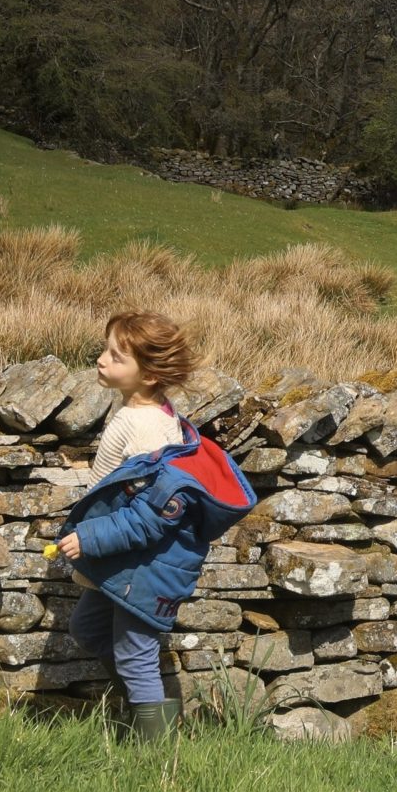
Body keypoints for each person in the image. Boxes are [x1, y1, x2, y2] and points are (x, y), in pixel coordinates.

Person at [55, 312, 256, 741]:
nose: (101, 360)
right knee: (87, 629)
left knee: (136, 657)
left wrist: (90, 536)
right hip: (125, 562)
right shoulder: (153, 412)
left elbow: (152, 516)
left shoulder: (145, 428)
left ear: (147, 375)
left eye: (116, 355)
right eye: (105, 349)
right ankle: (145, 709)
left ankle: (159, 752)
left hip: (145, 567)